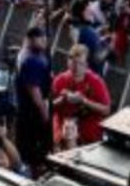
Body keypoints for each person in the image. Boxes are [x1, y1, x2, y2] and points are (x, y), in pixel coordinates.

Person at [50, 43, 111, 151]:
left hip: (88, 132)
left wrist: (84, 101)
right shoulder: (60, 80)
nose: (76, 67)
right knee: (67, 129)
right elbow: (49, 108)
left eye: (80, 63)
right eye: (73, 63)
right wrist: (62, 100)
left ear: (86, 65)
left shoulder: (96, 82)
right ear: (68, 63)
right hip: (64, 128)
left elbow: (106, 110)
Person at [14, 26, 54, 171]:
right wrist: (45, 116)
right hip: (32, 114)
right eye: (40, 37)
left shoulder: (26, 54)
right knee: (33, 152)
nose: (44, 40)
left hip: (24, 111)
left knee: (25, 147)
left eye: (44, 37)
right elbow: (35, 94)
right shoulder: (33, 60)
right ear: (30, 40)